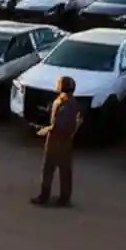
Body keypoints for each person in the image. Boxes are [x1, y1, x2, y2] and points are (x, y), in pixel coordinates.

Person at [31, 75, 82, 207]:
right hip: (65, 140)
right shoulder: (71, 102)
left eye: (59, 83)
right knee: (65, 170)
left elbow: (59, 124)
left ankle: (45, 195)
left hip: (57, 140)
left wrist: (44, 130)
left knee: (49, 168)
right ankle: (64, 197)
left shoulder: (64, 102)